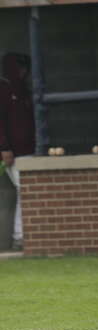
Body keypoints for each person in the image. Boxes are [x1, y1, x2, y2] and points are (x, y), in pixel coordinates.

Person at [0, 52, 34, 249]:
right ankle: (19, 237)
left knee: (26, 191)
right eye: (19, 67)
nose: (22, 71)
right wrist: (4, 148)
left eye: (24, 68)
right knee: (24, 190)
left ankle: (21, 236)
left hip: (28, 149)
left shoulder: (23, 90)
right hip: (13, 152)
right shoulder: (3, 88)